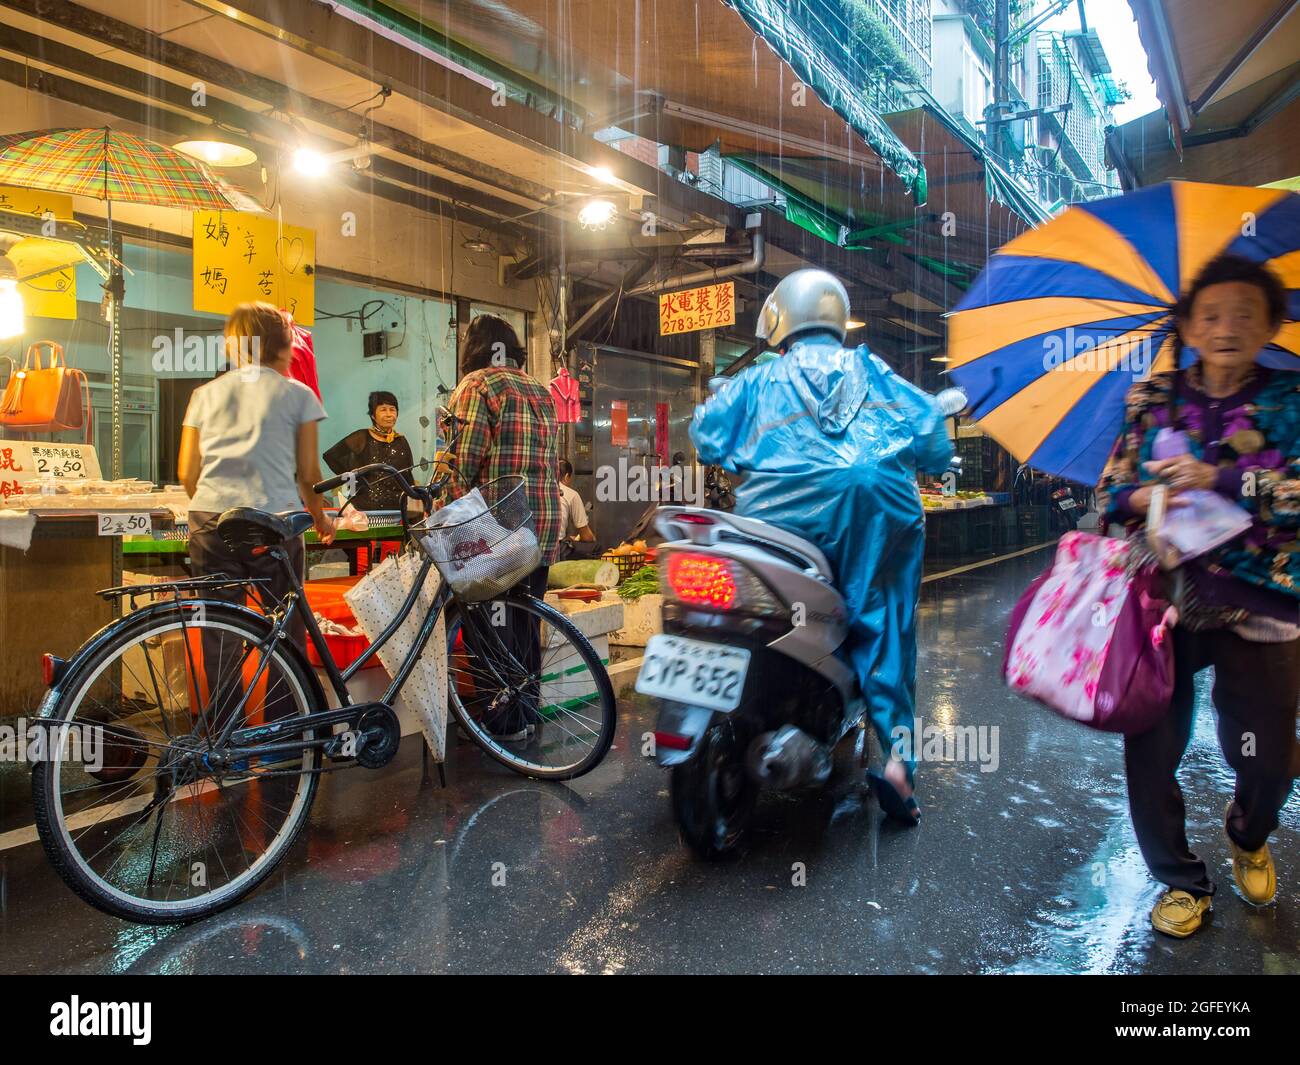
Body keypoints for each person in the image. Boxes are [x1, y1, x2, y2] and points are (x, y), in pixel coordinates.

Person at [691, 269, 953, 824]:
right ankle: (900, 771)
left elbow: (707, 435)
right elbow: (931, 427)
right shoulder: (871, 369)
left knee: (758, 609)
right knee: (884, 630)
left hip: (778, 518)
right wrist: (927, 460)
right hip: (874, 510)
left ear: (780, 319)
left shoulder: (760, 379)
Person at [1097, 253, 1300, 939]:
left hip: (1263, 602)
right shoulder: (1154, 399)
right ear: (1185, 324)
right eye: (1210, 314)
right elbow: (1111, 492)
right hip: (1166, 601)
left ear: (1271, 323)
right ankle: (1180, 879)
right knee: (1150, 748)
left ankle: (1249, 830)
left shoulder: (1290, 399)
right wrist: (1148, 493)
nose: (1226, 327)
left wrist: (1221, 478)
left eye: (1246, 313)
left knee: (1268, 758)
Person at [178, 301, 335, 720]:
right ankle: (285, 733)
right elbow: (308, 474)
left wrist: (215, 503)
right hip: (275, 523)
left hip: (210, 522)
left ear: (234, 345)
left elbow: (186, 472)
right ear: (284, 347)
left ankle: (226, 736)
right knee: (284, 629)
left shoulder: (204, 394)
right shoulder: (298, 395)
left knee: (220, 630)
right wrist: (320, 517)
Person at [443, 314, 562, 739]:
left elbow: (460, 466)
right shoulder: (540, 391)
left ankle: (503, 723)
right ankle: (526, 715)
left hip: (495, 532)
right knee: (525, 622)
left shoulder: (477, 386)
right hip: (542, 528)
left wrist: (442, 521)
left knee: (491, 626)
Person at [322, 391, 414, 512]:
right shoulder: (361, 437)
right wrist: (352, 480)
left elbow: (408, 475)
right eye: (383, 409)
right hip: (365, 509)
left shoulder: (401, 440)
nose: (389, 414)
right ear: (373, 415)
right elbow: (330, 457)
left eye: (392, 410)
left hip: (397, 509)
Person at [558, 459, 596, 546]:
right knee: (596, 548)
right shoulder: (571, 494)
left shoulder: (541, 490)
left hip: (533, 545)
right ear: (567, 476)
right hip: (558, 548)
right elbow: (587, 537)